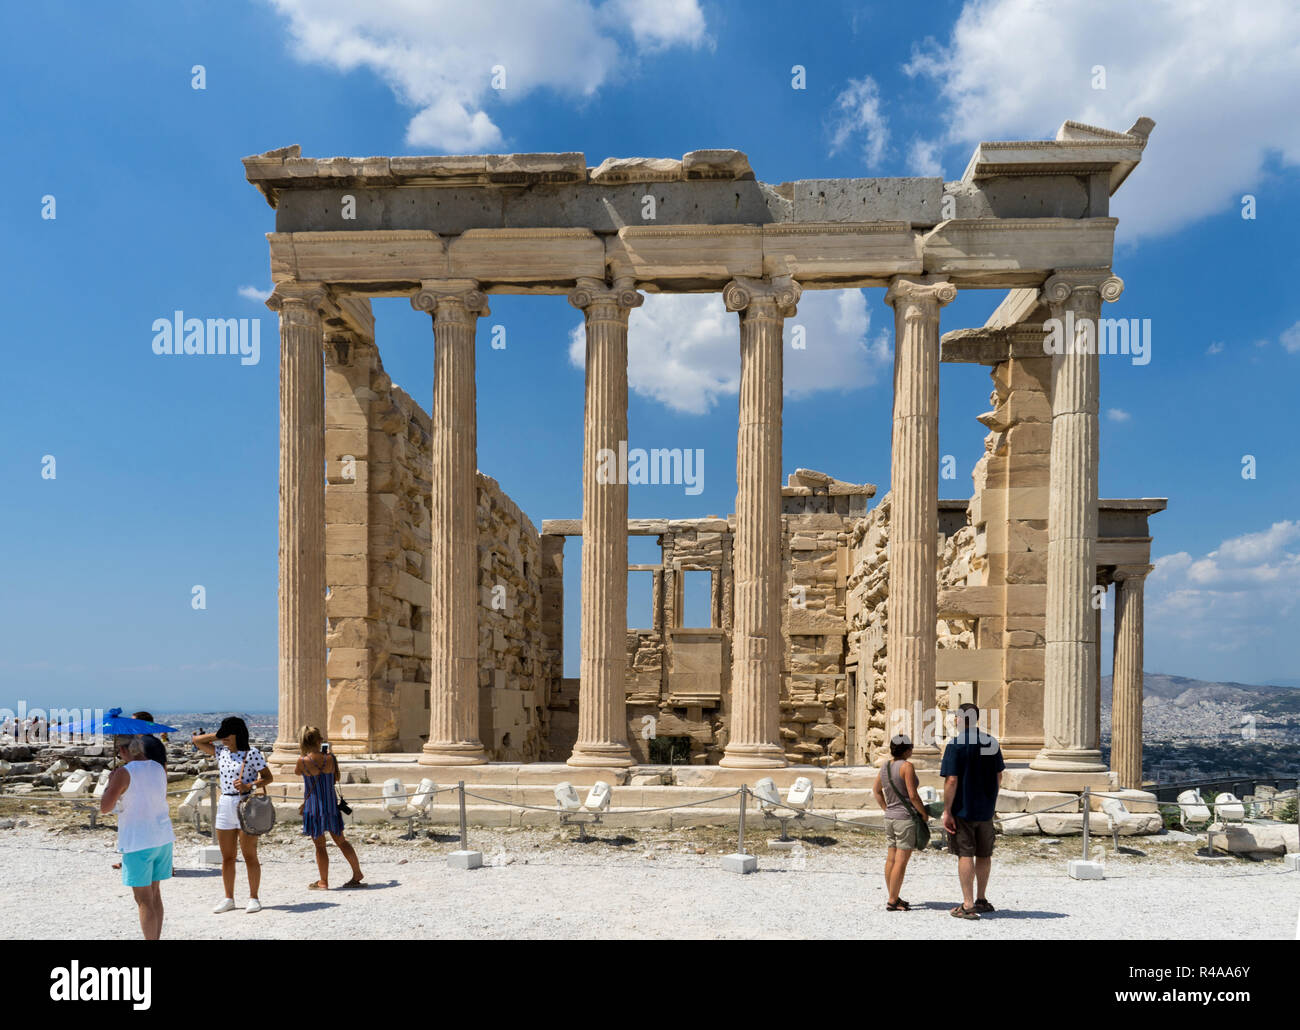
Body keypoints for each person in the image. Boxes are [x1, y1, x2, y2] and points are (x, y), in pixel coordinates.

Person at [192, 717, 273, 914]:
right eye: (222, 735)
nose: (223, 739)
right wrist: (220, 735)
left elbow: (268, 777)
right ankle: (229, 898)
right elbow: (197, 741)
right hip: (225, 805)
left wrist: (250, 785)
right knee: (227, 857)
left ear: (237, 734)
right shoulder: (221, 752)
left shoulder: (252, 753)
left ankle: (254, 897)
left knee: (249, 855)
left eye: (227, 734)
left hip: (246, 804)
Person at [99, 734, 174, 939]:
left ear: (123, 750)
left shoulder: (124, 772)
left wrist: (110, 783)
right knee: (155, 894)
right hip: (162, 837)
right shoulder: (158, 767)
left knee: (143, 900)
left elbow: (105, 807)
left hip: (139, 841)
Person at [940, 702, 1006, 920]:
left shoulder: (955, 745)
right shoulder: (992, 742)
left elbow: (951, 780)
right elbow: (999, 775)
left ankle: (968, 904)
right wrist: (991, 800)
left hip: (963, 808)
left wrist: (946, 810)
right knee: (984, 854)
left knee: (965, 853)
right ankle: (981, 899)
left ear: (959, 719)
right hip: (986, 809)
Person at [295, 726, 364, 890]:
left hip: (313, 807)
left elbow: (298, 772)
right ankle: (357, 873)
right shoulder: (330, 758)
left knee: (320, 845)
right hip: (331, 805)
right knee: (341, 841)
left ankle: (323, 881)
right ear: (320, 741)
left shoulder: (302, 761)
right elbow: (336, 777)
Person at [872, 734, 930, 911]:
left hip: (890, 817)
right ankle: (892, 900)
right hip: (905, 818)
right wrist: (923, 814)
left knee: (891, 858)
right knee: (901, 862)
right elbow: (913, 795)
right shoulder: (907, 766)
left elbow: (876, 791)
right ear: (907, 750)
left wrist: (886, 809)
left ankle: (894, 896)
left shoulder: (885, 767)